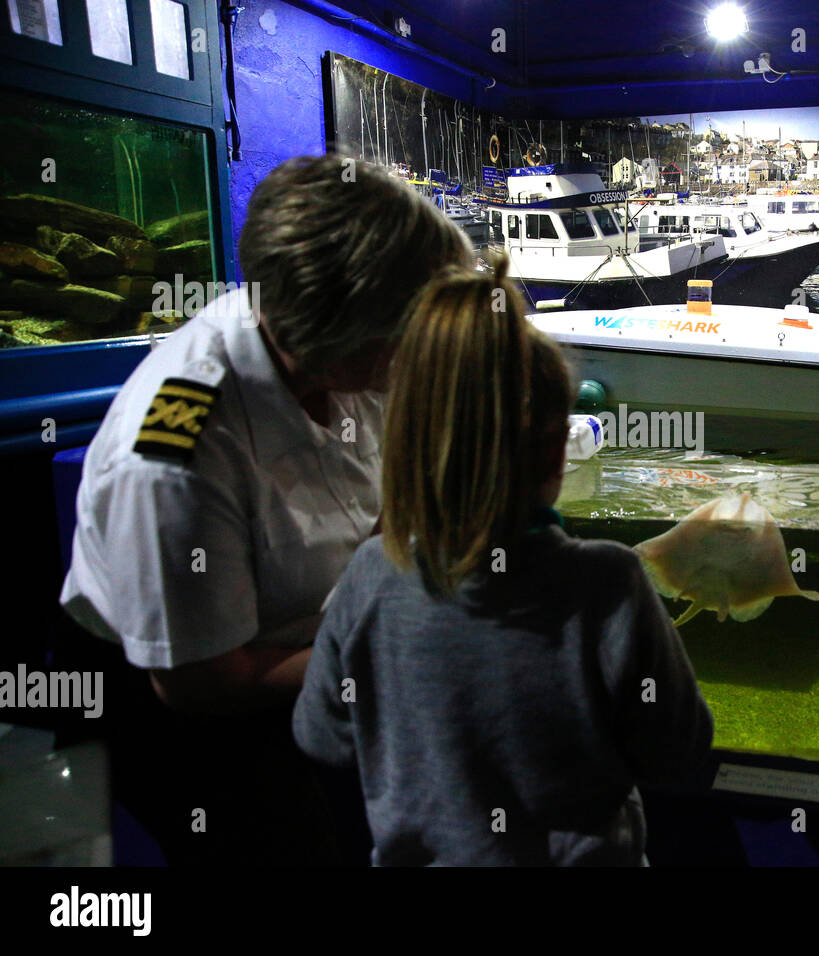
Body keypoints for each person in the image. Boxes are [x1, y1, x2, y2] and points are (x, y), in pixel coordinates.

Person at [58, 155, 473, 864]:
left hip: (312, 635)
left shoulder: (345, 351)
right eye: (402, 341)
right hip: (180, 691)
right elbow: (202, 683)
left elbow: (395, 486)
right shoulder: (173, 453)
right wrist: (390, 646)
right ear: (333, 336)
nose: (419, 358)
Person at [292, 260, 715, 866]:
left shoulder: (369, 577)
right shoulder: (607, 584)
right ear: (555, 449)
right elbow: (679, 753)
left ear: (406, 443)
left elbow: (322, 735)